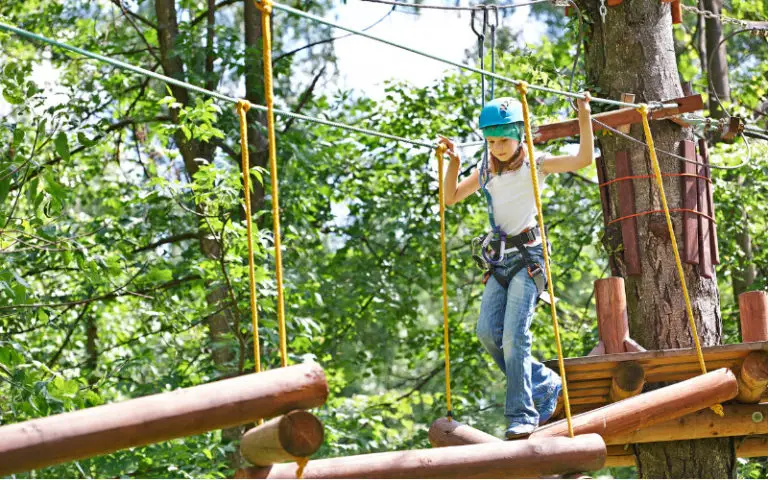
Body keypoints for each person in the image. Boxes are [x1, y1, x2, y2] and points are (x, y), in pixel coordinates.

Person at [439, 95, 593, 439]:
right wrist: (454, 163)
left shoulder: (534, 164)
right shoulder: (485, 171)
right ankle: (543, 383)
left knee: (514, 337)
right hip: (499, 261)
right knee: (486, 334)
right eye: (491, 141)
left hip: (529, 258)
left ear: (519, 135)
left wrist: (584, 114)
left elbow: (583, 159)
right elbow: (450, 198)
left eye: (504, 140)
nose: (498, 147)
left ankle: (522, 414)